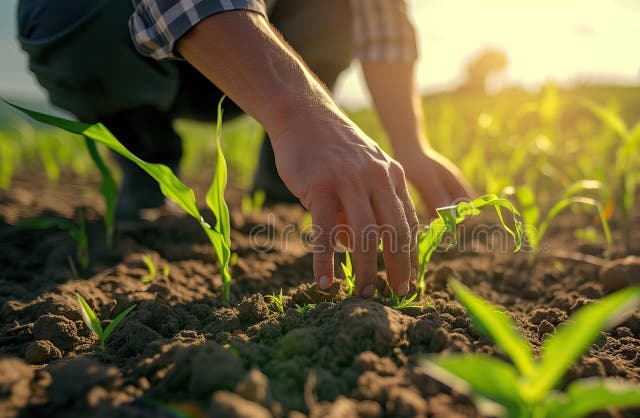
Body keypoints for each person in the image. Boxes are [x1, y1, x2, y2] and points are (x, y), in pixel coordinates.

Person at [17, 0, 473, 298]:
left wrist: (411, 145)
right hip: (121, 31)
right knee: (70, 14)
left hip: (249, 49)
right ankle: (145, 159)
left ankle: (287, 191)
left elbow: (379, 17)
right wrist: (301, 111)